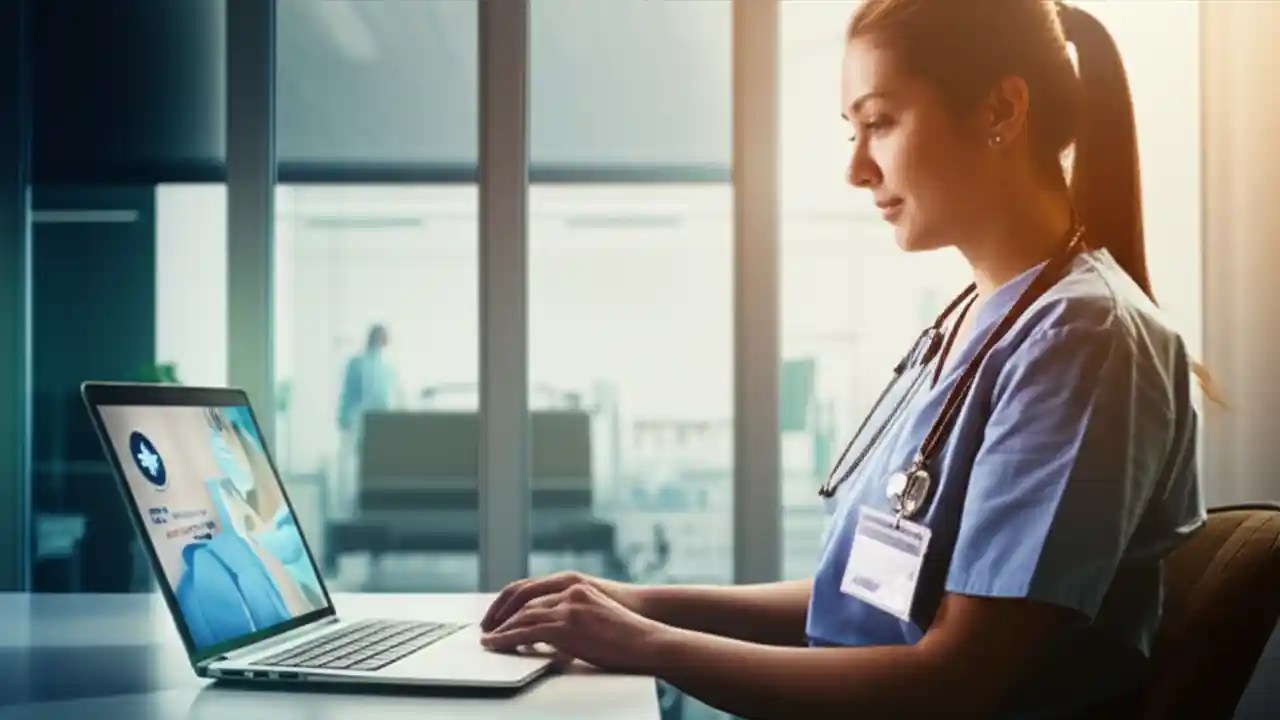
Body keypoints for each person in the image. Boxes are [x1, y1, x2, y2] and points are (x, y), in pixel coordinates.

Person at [477, 1, 1206, 717]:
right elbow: (862, 601)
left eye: (880, 124)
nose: (857, 169)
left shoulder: (1084, 341)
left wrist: (650, 644)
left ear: (1000, 111)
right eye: (852, 132)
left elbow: (954, 681)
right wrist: (633, 603)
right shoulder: (971, 323)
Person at [334, 324, 401, 518]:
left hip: (379, 423)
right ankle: (351, 507)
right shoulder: (357, 363)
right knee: (354, 466)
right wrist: (344, 419)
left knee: (374, 466)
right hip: (358, 421)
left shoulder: (386, 368)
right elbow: (348, 394)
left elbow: (387, 398)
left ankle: (371, 505)